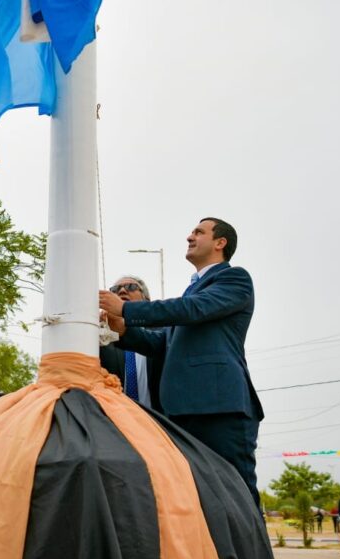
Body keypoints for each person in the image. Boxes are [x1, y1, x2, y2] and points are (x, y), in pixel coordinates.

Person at [100, 217, 263, 507]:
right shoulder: (192, 290)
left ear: (220, 242)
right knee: (197, 499)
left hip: (219, 407)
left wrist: (126, 309)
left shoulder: (234, 279)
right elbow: (163, 343)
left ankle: (251, 540)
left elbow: (192, 308)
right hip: (181, 413)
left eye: (199, 232)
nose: (190, 237)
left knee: (234, 495)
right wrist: (122, 329)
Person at [98, 276, 161, 408]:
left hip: (159, 417)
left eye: (131, 287)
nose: (122, 291)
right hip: (115, 416)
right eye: (115, 290)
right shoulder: (101, 337)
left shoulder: (162, 333)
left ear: (146, 300)